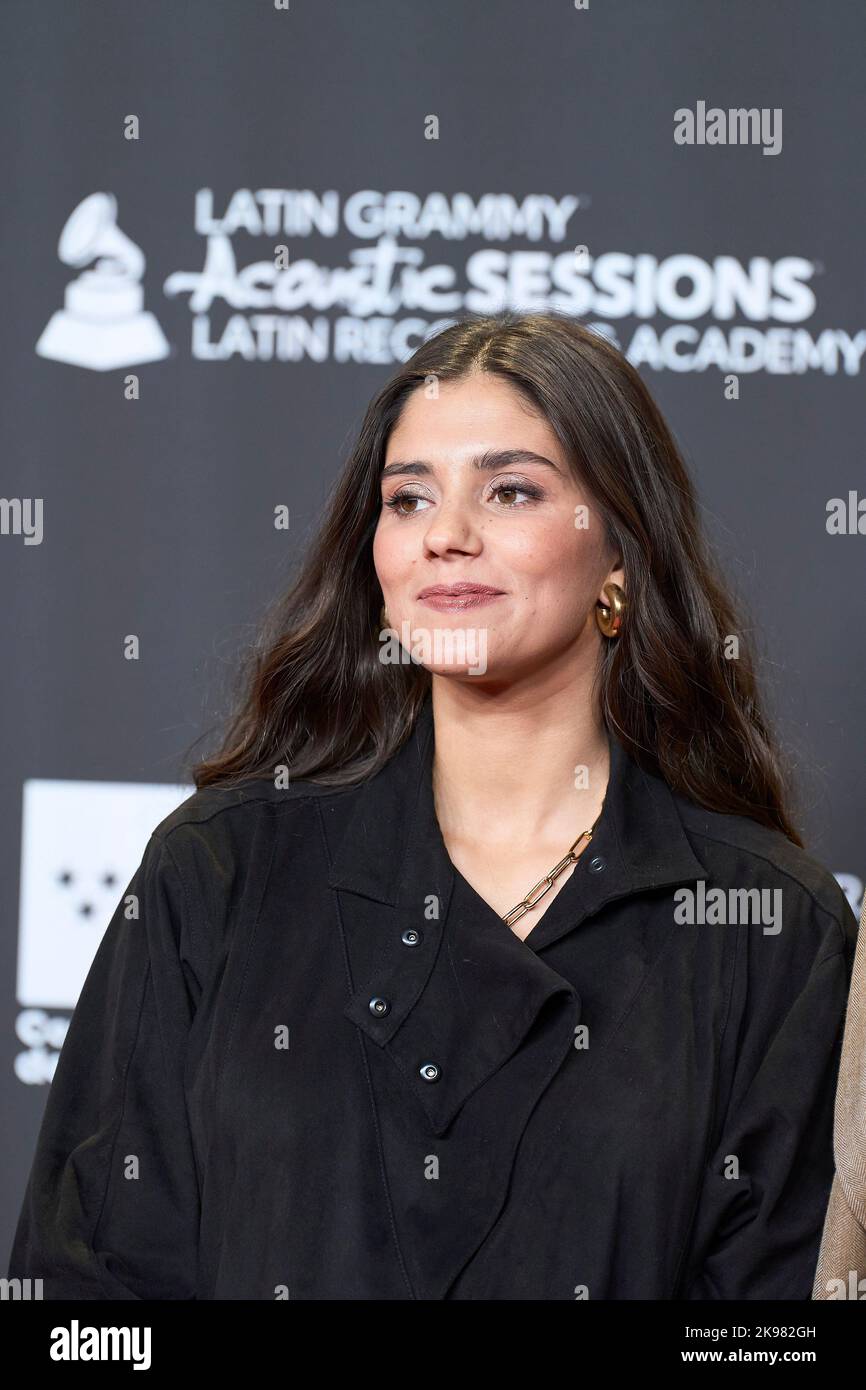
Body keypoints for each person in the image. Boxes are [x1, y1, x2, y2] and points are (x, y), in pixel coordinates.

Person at [8, 310, 857, 1300]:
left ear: (616, 559)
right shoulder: (219, 870)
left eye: (509, 491)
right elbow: (85, 1290)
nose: (445, 536)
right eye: (407, 499)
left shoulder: (768, 927)